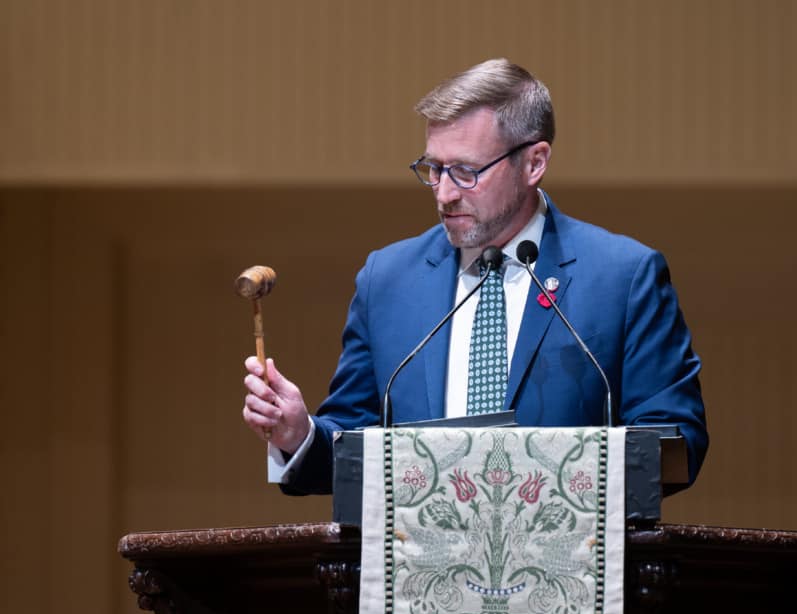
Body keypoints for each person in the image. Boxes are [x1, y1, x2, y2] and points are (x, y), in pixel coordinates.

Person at [242, 58, 707, 495]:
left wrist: (556, 482)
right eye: (433, 168)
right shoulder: (387, 280)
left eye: (465, 171)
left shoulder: (622, 277)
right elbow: (355, 443)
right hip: (418, 569)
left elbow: (675, 441)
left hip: (571, 565)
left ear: (534, 162)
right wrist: (300, 434)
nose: (443, 193)